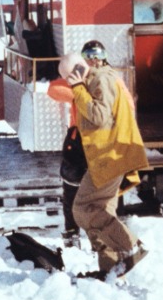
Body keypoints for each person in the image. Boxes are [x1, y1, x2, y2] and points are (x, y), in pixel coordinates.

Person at [58, 48, 150, 280]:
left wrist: (78, 89)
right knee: (102, 210)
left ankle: (130, 246)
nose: (70, 84)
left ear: (78, 71)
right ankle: (111, 269)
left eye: (70, 78)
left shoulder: (101, 79)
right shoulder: (95, 79)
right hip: (105, 156)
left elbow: (99, 116)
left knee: (83, 208)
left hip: (113, 156)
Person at [46, 40, 113, 247]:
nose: (93, 61)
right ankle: (73, 231)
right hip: (79, 142)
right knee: (72, 188)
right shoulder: (80, 84)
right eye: (89, 57)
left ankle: (103, 237)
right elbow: (54, 90)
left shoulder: (108, 82)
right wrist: (77, 87)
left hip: (100, 143)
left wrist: (79, 90)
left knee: (101, 195)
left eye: (96, 57)